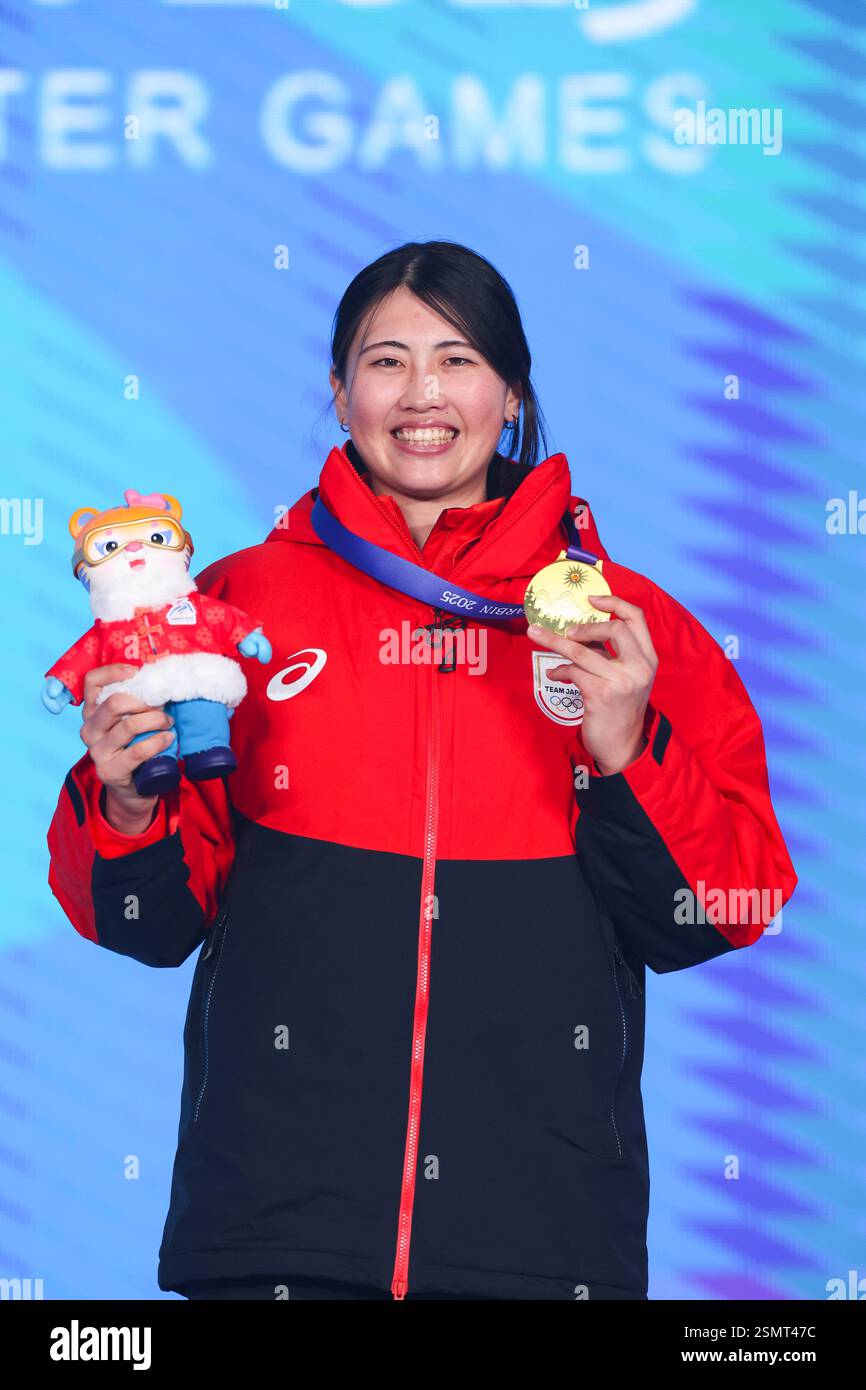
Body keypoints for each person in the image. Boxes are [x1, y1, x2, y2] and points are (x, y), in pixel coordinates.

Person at [45, 240, 797, 1302]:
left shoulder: (629, 626)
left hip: (539, 1244)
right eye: (385, 361)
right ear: (339, 392)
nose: (422, 394)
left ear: (510, 393)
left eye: (457, 359)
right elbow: (145, 926)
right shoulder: (236, 608)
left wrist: (626, 747)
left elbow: (714, 914)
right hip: (275, 1240)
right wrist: (124, 804)